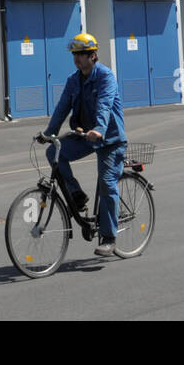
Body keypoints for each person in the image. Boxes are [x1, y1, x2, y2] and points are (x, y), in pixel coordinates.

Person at [45, 32, 127, 257]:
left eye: (81, 54)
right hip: (85, 136)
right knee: (53, 151)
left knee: (107, 182)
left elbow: (104, 105)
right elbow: (62, 108)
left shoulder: (105, 76)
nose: (77, 58)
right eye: (75, 54)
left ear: (93, 56)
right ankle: (77, 196)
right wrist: (48, 133)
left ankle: (109, 237)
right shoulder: (74, 81)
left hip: (109, 139)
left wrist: (99, 129)